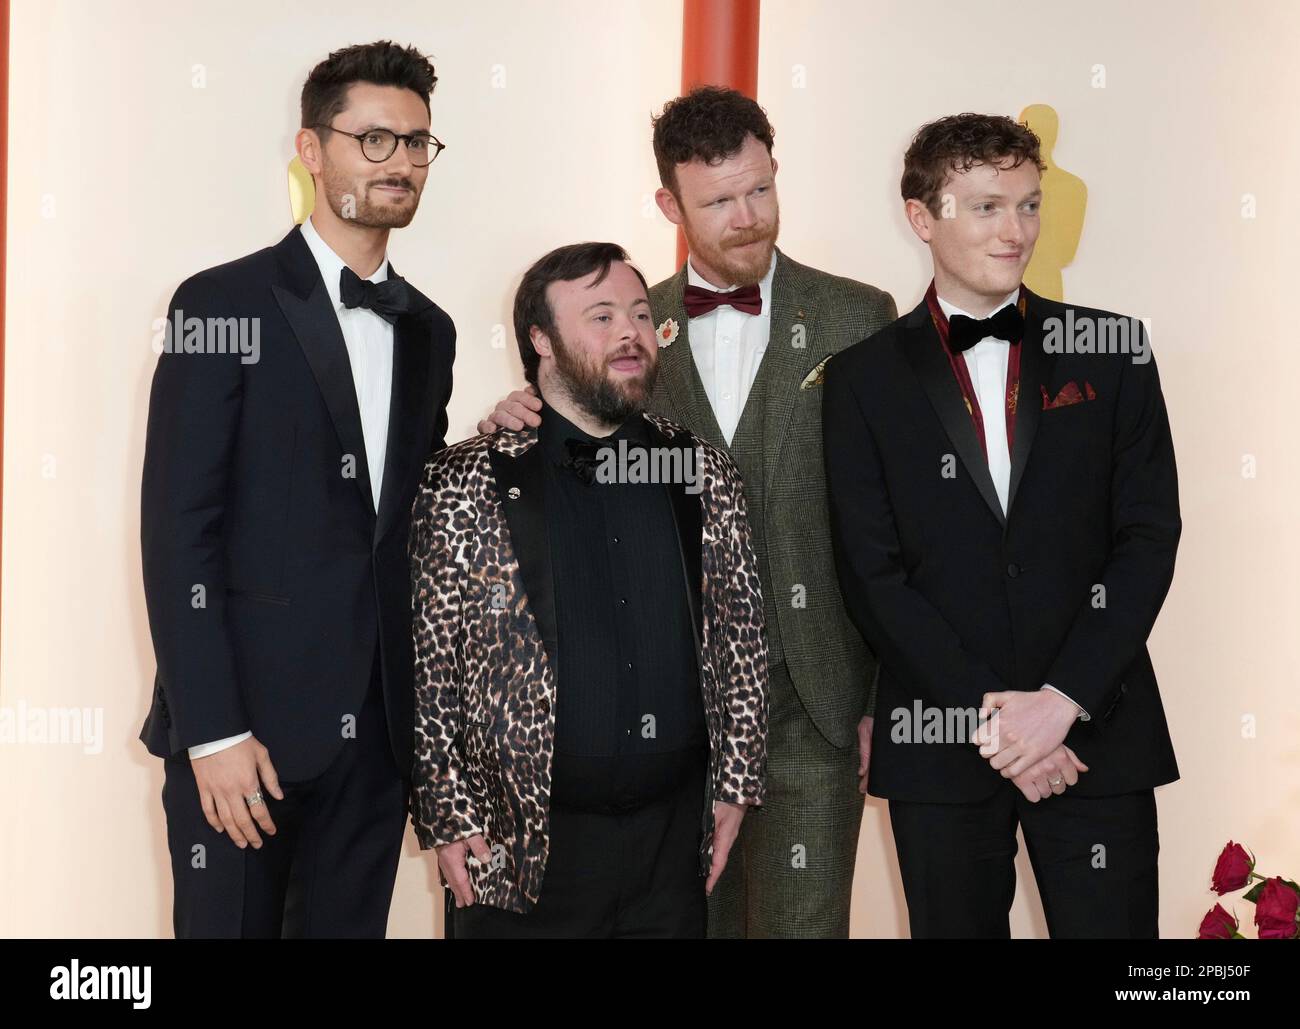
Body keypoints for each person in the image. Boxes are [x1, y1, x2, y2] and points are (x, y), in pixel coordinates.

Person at [478, 87, 895, 938]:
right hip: (660, 719)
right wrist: (512, 415)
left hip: (815, 710)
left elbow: (892, 524)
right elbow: (571, 441)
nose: (747, 218)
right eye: (717, 201)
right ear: (669, 204)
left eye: (761, 189)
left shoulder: (860, 317)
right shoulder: (627, 324)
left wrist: (884, 692)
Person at [823, 113, 1180, 938]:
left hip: (1097, 732)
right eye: (986, 207)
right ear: (923, 216)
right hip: (943, 745)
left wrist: (1062, 700)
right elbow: (872, 575)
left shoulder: (1113, 350)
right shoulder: (861, 379)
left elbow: (1148, 536)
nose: (1014, 230)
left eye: (1027, 205)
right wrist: (999, 720)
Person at [140, 40, 455, 937]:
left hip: (378, 743)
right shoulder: (216, 302)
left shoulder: (429, 328)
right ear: (312, 151)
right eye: (375, 140)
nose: (400, 163)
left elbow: (408, 516)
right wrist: (212, 731)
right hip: (246, 740)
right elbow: (177, 531)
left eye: (418, 143)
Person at [410, 242, 768, 938]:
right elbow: (432, 664)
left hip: (670, 853)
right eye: (600, 316)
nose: (629, 332)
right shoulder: (463, 479)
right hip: (515, 857)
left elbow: (741, 641)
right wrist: (449, 812)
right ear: (540, 339)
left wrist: (736, 784)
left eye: (638, 313)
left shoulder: (703, 472)